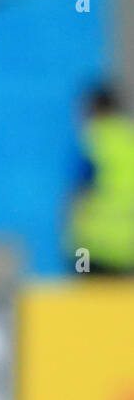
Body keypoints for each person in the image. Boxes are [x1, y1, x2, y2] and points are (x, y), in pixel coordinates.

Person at [70, 85, 134, 274]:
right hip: (127, 248)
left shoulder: (92, 140)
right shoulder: (129, 139)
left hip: (93, 246)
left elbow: (80, 190)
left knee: (88, 302)